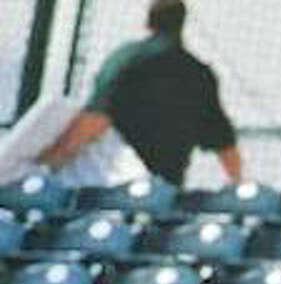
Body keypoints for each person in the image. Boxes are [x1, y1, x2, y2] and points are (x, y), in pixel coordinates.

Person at [36, 1, 242, 187]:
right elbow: (224, 142)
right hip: (163, 194)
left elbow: (94, 121)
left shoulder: (126, 60)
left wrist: (50, 161)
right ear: (181, 25)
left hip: (108, 186)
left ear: (148, 22)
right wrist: (237, 187)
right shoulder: (200, 74)